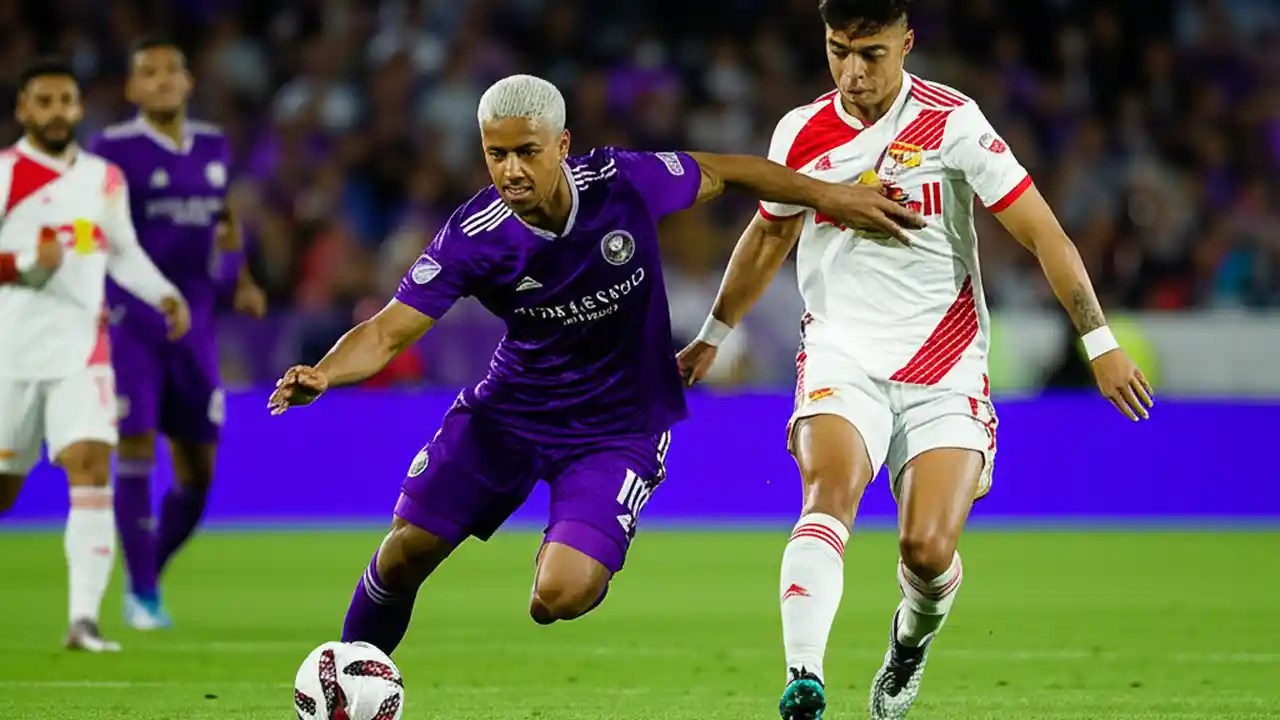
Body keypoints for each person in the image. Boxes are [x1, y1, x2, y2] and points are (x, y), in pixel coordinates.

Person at [268, 74, 923, 656]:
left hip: (619, 426)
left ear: (562, 144)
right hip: (510, 413)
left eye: (527, 151)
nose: (511, 170)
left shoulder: (623, 184)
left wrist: (830, 197)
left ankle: (583, 547)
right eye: (497, 154)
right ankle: (349, 679)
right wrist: (324, 373)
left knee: (558, 596)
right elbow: (386, 332)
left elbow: (735, 172)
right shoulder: (475, 237)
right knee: (407, 549)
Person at [676, 2, 1154, 718]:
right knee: (827, 493)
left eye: (871, 52)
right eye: (839, 51)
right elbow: (767, 237)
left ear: (906, 43)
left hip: (945, 366)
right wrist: (715, 331)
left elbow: (1044, 236)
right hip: (841, 352)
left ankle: (909, 644)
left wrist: (1101, 343)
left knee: (926, 550)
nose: (853, 71)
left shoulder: (953, 122)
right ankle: (803, 677)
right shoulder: (801, 131)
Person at [0, 57, 190, 651]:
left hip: (83, 350)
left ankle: (83, 620)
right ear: (23, 109)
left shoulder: (103, 178)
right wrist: (29, 266)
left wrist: (164, 293)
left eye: (66, 101)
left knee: (89, 465)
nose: (57, 112)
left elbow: (122, 252)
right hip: (11, 354)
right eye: (44, 102)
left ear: (79, 108)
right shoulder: (5, 174)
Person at [88, 38, 267, 631]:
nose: (163, 80)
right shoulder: (113, 150)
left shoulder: (213, 145)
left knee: (198, 472)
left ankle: (149, 570)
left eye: (173, 70)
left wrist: (239, 278)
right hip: (130, 323)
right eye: (149, 73)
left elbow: (225, 219)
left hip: (197, 327)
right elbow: (96, 235)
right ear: (133, 89)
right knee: (136, 447)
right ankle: (141, 594)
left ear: (189, 82)